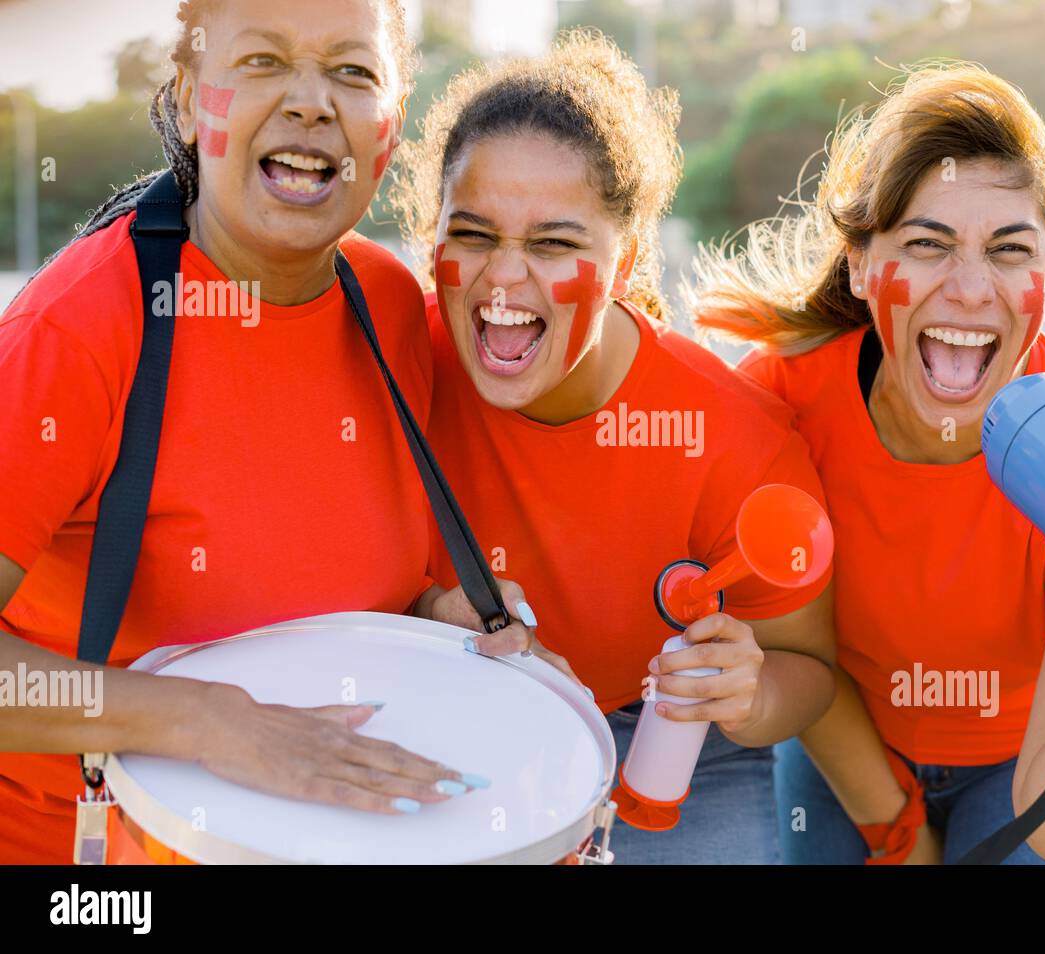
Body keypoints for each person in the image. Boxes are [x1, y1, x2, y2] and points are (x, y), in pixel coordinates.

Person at [0, 0, 530, 864]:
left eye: (353, 73)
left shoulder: (390, 301)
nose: (312, 101)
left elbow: (324, 579)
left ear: (389, 125)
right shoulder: (76, 333)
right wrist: (205, 720)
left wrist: (443, 612)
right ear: (185, 97)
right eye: (263, 61)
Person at [689, 63, 1045, 864]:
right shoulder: (778, 407)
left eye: (1010, 251)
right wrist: (898, 831)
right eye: (927, 244)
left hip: (1034, 750)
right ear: (859, 263)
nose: (972, 289)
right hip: (852, 736)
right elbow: (803, 665)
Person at [389, 31, 837, 864]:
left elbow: (807, 669)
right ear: (432, 242)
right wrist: (425, 616)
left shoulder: (732, 436)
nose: (504, 279)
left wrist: (746, 692)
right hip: (470, 711)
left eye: (555, 243)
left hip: (674, 742)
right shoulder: (391, 365)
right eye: (474, 234)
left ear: (624, 258)